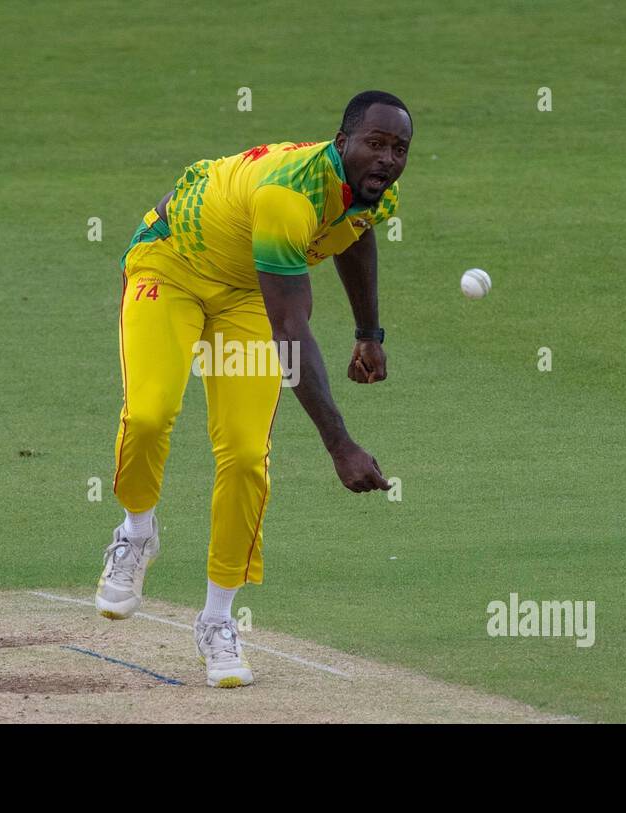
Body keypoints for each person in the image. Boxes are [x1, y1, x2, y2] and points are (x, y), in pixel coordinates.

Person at [96, 90, 412, 687]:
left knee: (245, 455)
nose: (388, 159)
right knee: (149, 415)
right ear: (341, 142)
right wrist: (339, 445)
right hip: (172, 263)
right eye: (375, 143)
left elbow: (354, 233)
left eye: (399, 149)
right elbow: (290, 331)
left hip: (246, 295)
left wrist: (368, 333)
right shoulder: (287, 197)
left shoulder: (374, 192)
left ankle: (217, 619)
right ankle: (136, 531)